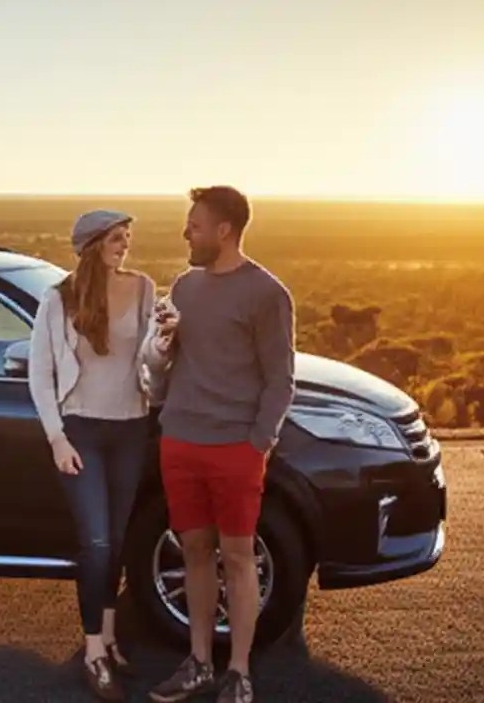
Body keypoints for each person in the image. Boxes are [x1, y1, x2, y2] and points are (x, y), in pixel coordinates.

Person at [144, 186, 296, 703]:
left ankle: (238, 672)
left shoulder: (266, 294)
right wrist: (160, 357)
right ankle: (199, 664)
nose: (186, 231)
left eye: (195, 224)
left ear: (224, 231)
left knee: (237, 556)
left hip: (235, 447)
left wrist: (259, 442)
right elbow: (170, 361)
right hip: (181, 438)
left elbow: (281, 379)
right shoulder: (185, 288)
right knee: (194, 552)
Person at [27, 209, 161, 701]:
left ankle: (109, 639)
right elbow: (40, 374)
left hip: (131, 429)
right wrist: (57, 438)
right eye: (115, 239)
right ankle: (92, 653)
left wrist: (166, 340)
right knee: (98, 542)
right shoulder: (58, 299)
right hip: (81, 429)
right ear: (91, 245)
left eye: (127, 238)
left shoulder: (144, 288)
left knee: (120, 539)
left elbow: (152, 360)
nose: (124, 245)